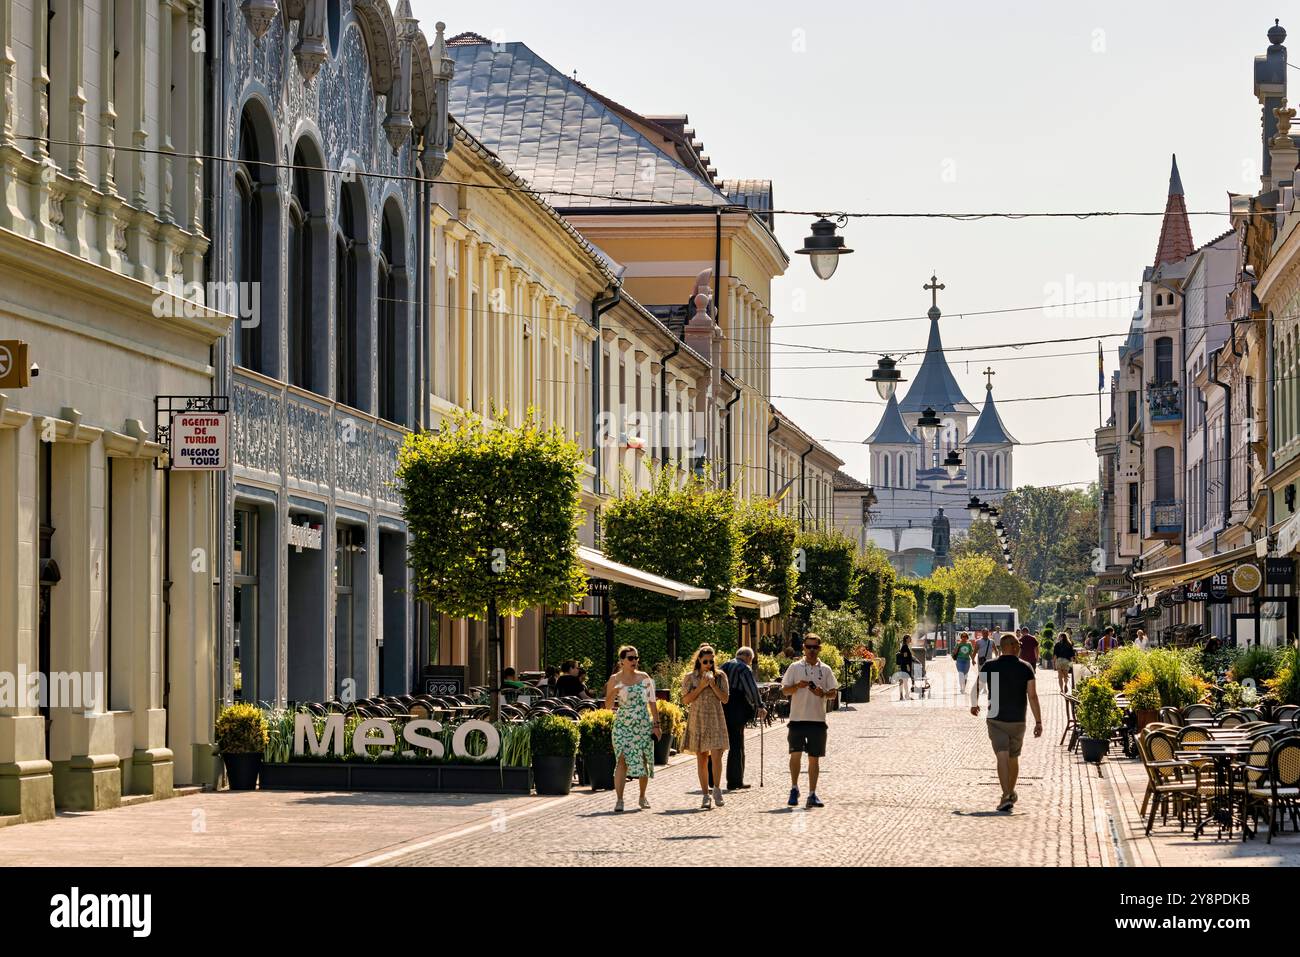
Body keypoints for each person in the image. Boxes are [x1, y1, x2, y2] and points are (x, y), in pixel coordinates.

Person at [970, 633, 1042, 812]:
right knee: (1013, 757)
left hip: (996, 718)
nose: (1019, 647)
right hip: (1018, 718)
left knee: (1002, 755)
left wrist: (974, 704)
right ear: (1012, 646)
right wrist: (1038, 721)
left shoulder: (990, 666)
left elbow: (977, 686)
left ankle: (1006, 794)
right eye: (1018, 644)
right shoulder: (1026, 668)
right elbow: (1032, 696)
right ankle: (1008, 793)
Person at [781, 632, 839, 809]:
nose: (812, 650)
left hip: (817, 720)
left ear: (820, 649)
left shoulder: (826, 669)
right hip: (797, 719)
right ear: (803, 648)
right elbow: (785, 691)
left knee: (814, 759)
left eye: (815, 647)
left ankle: (812, 793)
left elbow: (833, 693)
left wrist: (823, 693)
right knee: (795, 755)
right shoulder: (794, 667)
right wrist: (797, 686)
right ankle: (794, 788)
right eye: (809, 647)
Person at [604, 645, 660, 813]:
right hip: (622, 724)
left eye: (636, 658)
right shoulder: (614, 679)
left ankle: (642, 796)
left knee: (643, 759)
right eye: (630, 658)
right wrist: (614, 690)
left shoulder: (644, 677)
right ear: (622, 661)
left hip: (642, 723)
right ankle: (619, 800)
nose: (634, 661)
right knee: (621, 759)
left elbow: (652, 703)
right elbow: (607, 706)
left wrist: (656, 725)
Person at [681, 644, 731, 810]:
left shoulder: (720, 676)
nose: (708, 664)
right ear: (699, 661)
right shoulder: (690, 677)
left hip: (716, 718)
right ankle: (705, 795)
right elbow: (686, 700)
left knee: (717, 755)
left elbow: (725, 699)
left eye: (711, 661)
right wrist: (701, 686)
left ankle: (717, 789)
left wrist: (712, 685)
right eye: (705, 661)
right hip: (698, 719)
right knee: (702, 758)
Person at [720, 647, 766, 791]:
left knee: (717, 745)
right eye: (751, 660)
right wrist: (760, 705)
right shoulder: (743, 668)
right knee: (736, 745)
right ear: (747, 657)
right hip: (736, 709)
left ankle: (711, 779)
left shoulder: (724, 666)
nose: (750, 663)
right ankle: (735, 781)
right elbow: (751, 688)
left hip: (721, 707)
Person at [1052, 629, 1076, 693]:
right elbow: (1071, 656)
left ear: (1060, 637)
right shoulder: (1069, 644)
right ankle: (1065, 684)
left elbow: (1055, 656)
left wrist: (1054, 664)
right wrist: (1071, 665)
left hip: (1059, 661)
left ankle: (1061, 689)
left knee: (1060, 676)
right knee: (1066, 675)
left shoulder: (1057, 644)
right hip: (1066, 661)